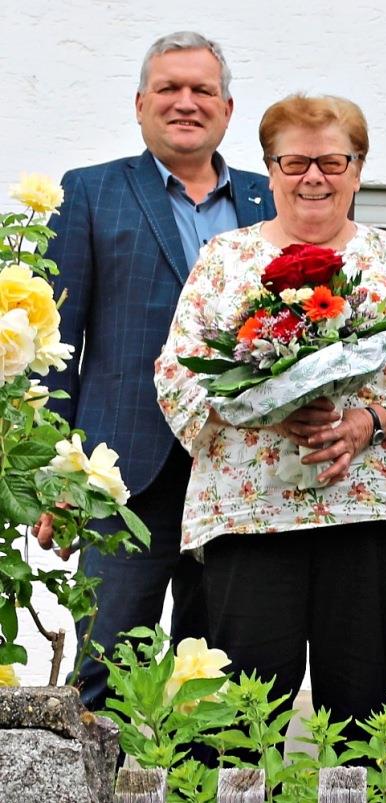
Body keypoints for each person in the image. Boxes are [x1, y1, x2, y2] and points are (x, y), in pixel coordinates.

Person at [154, 94, 386, 724]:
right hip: (250, 516)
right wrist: (262, 405)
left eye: (331, 160)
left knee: (357, 704)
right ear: (269, 171)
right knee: (243, 708)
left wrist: (365, 423)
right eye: (294, 162)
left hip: (367, 511)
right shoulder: (226, 259)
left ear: (357, 169)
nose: (313, 177)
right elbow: (177, 372)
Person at [35, 31, 274, 711]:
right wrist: (59, 475)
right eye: (169, 88)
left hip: (239, 473)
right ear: (140, 105)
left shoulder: (270, 201)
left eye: (202, 90)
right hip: (121, 477)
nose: (185, 102)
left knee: (217, 679)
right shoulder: (88, 193)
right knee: (107, 669)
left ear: (227, 110)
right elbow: (57, 347)